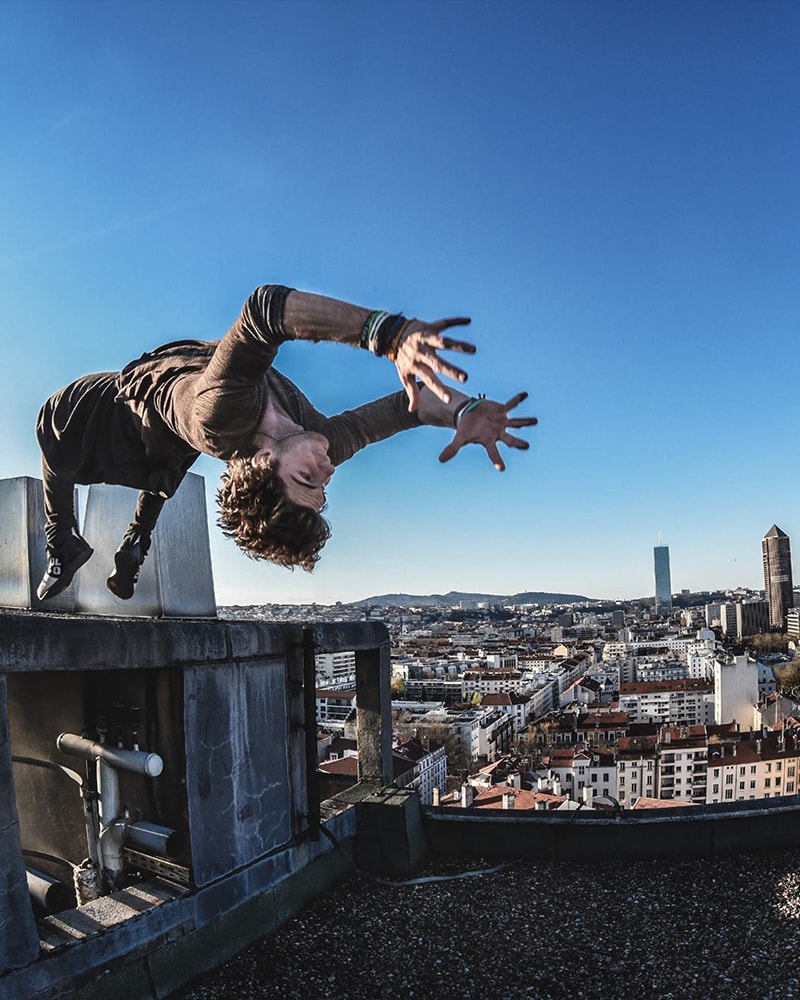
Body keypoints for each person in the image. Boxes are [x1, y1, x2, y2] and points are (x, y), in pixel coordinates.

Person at [35, 284, 537, 601]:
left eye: (306, 480)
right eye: (323, 489)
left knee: (54, 449)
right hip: (160, 435)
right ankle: (134, 540)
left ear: (261, 460)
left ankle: (62, 544)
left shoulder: (219, 411)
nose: (327, 472)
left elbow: (264, 310)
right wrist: (462, 411)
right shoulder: (318, 444)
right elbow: (409, 407)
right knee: (162, 475)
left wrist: (388, 335)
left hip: (89, 411)